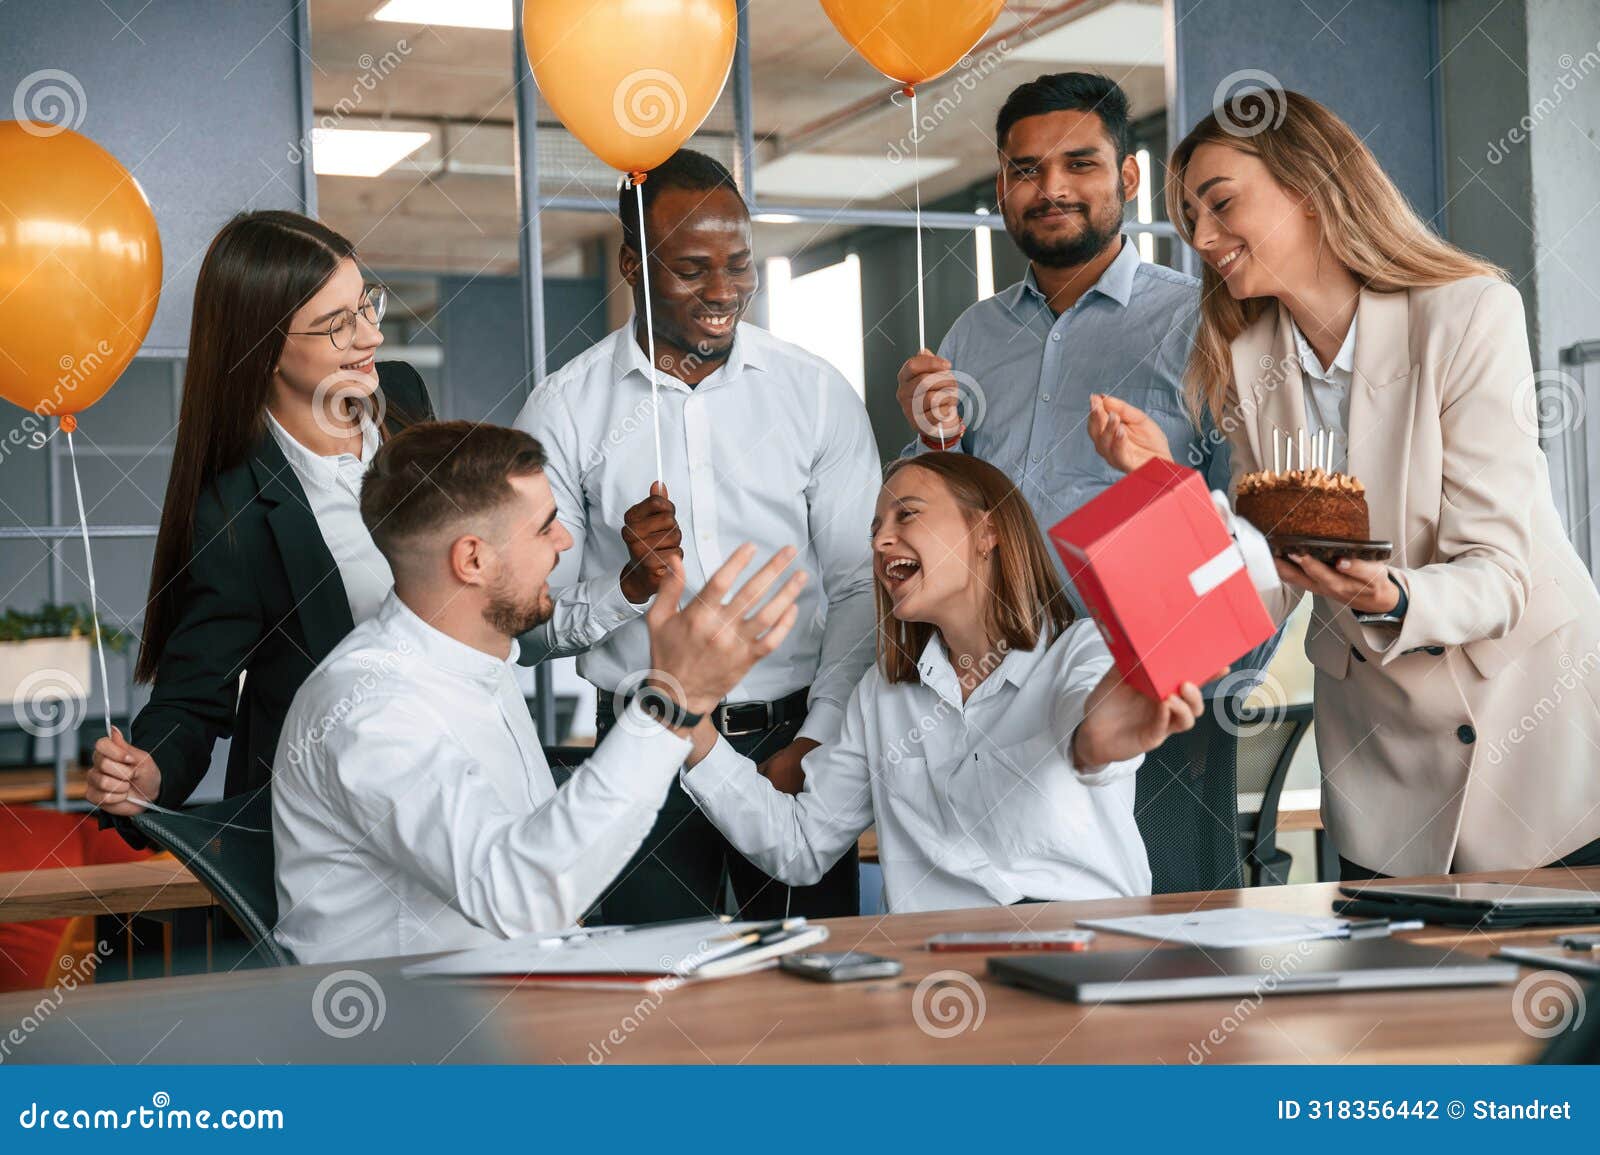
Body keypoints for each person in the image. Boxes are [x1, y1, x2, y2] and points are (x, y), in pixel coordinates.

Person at [1088, 89, 1600, 878]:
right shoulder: (1249, 360)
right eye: (1191, 217)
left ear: (1313, 188)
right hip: (1383, 768)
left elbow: (1501, 575)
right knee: (1402, 997)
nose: (1203, 237)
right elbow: (1266, 582)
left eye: (1222, 204)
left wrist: (1385, 594)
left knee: (1551, 995)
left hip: (1534, 742)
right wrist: (1164, 488)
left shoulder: (1466, 317)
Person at [272, 422, 809, 964]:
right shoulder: (372, 708)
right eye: (545, 527)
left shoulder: (476, 658)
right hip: (418, 1032)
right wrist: (672, 703)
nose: (565, 541)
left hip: (513, 998)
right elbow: (517, 896)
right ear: (473, 560)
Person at [513, 149, 878, 922]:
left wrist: (820, 733)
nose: (722, 292)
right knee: (646, 997)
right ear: (631, 263)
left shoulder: (815, 393)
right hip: (640, 744)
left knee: (811, 991)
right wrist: (627, 588)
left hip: (790, 738)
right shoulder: (565, 410)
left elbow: (858, 586)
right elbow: (527, 622)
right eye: (690, 269)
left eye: (739, 265)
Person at [677, 453, 1221, 911]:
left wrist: (1103, 739)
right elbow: (800, 846)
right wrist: (691, 722)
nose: (881, 542)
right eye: (875, 531)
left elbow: (1096, 728)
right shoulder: (882, 694)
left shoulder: (1078, 652)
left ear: (987, 533)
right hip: (934, 978)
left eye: (906, 516)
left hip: (1082, 959)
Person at [86, 210, 434, 822]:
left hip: (459, 771)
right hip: (339, 816)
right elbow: (192, 700)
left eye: (366, 305)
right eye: (336, 326)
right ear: (267, 350)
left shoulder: (401, 395)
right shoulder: (234, 509)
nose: (371, 336)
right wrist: (149, 771)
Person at [893, 73, 1231, 571]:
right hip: (997, 644)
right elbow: (942, 509)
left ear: (1129, 178)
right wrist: (933, 438)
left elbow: (1245, 531)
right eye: (1027, 170)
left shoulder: (1204, 322)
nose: (1051, 189)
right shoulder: (972, 333)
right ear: (1003, 187)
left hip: (1142, 643)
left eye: (1080, 164)